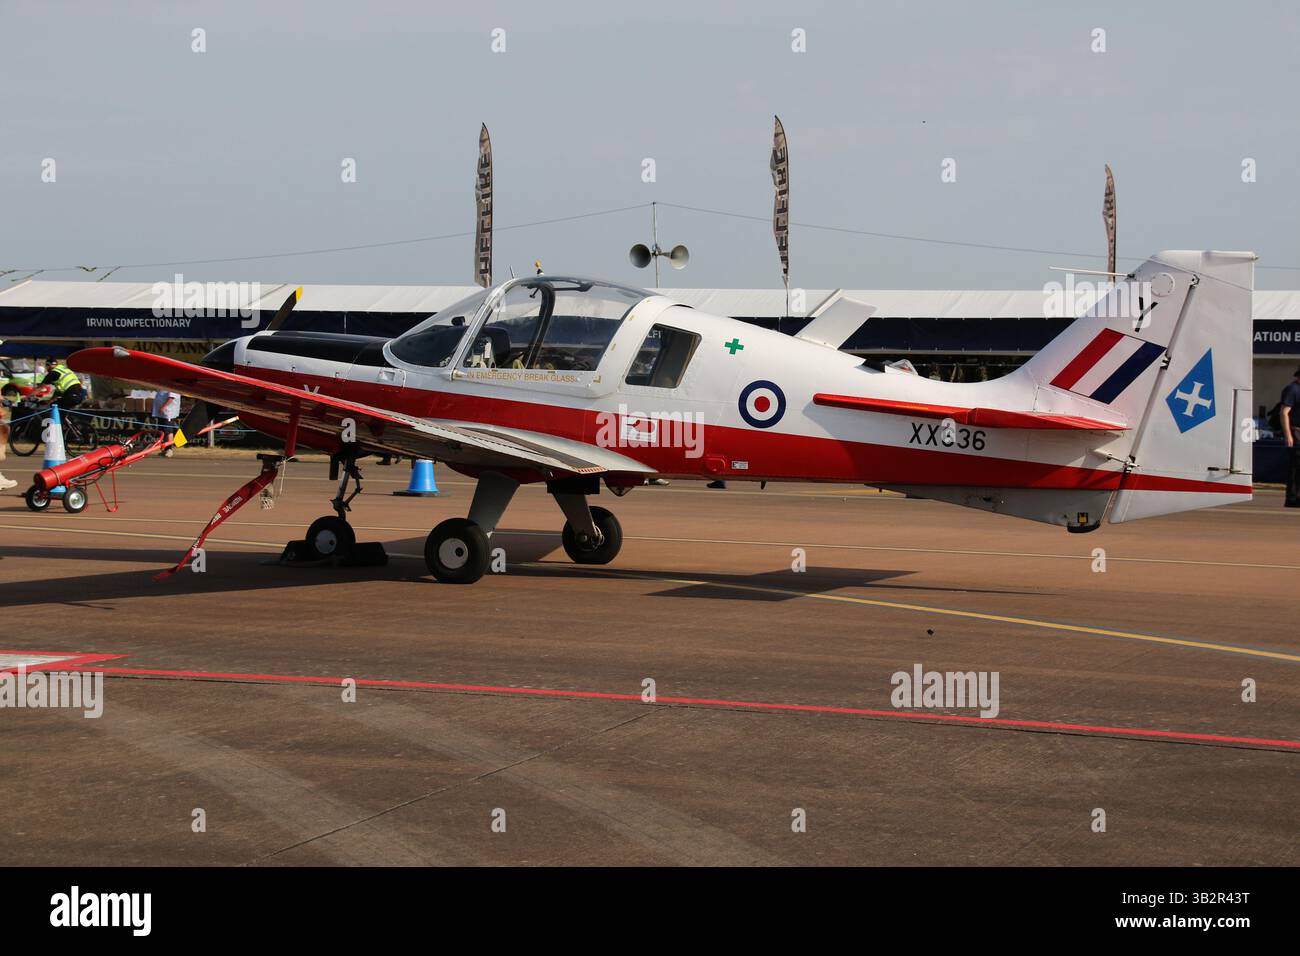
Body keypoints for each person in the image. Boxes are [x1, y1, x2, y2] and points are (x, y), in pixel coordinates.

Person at [1281, 367, 1300, 508]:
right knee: (1295, 467)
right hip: (1296, 432)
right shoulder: (1292, 389)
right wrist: (1288, 434)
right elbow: (1284, 412)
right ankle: (1292, 498)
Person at [151, 390, 181, 458]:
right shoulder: (163, 386)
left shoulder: (172, 386)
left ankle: (169, 449)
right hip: (161, 414)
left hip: (168, 413)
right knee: (163, 431)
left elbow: (171, 398)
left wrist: (163, 407)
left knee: (168, 430)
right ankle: (165, 449)